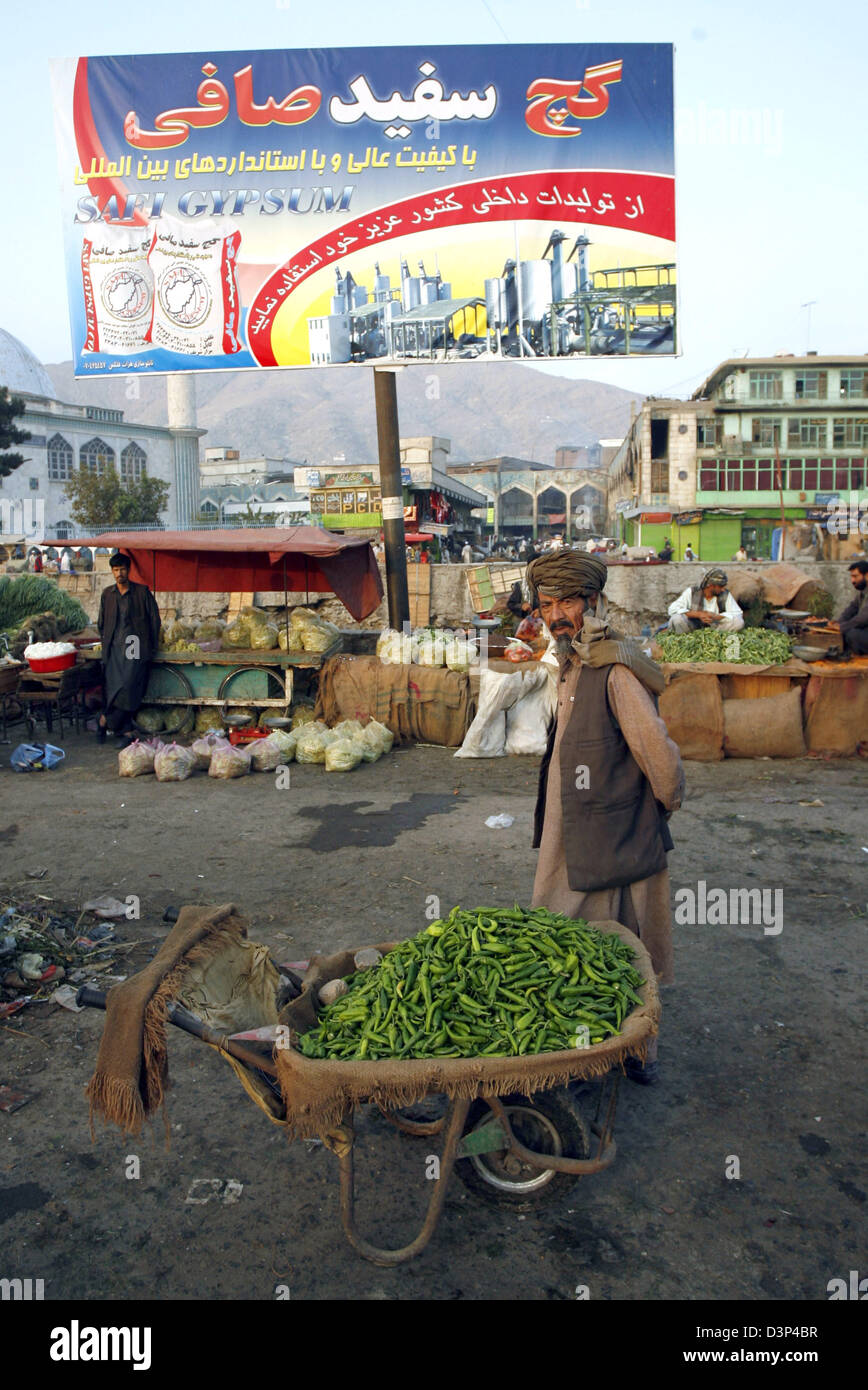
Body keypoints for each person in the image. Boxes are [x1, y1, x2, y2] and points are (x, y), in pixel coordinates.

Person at [526, 550, 684, 1084]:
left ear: (592, 601)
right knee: (568, 942)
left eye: (567, 601)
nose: (556, 615)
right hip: (574, 826)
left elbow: (657, 753)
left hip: (623, 826)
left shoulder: (614, 668)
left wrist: (660, 803)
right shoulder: (572, 662)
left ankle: (641, 1050)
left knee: (636, 938)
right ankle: (583, 1047)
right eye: (547, 604)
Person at [97, 552, 161, 745]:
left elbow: (154, 620)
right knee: (115, 689)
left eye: (122, 569)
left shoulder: (142, 592)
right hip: (113, 648)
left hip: (134, 645)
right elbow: (101, 622)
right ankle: (126, 731)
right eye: (115, 570)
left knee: (130, 684)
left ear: (129, 570)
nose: (119, 573)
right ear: (112, 572)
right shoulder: (107, 594)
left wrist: (151, 646)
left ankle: (105, 721)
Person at [666, 568, 744, 634]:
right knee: (676, 619)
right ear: (711, 585)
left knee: (738, 622)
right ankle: (687, 639)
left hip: (715, 628)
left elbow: (737, 613)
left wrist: (715, 617)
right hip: (693, 627)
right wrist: (698, 614)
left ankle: (714, 639)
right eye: (720, 586)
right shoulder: (692, 592)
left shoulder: (725, 594)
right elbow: (672, 609)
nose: (723, 589)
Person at [827, 559, 868, 660]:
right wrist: (837, 623)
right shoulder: (862, 592)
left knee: (851, 634)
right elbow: (851, 610)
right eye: (851, 576)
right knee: (847, 631)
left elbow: (863, 618)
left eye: (855, 576)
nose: (852, 581)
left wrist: (842, 627)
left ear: (867, 575)